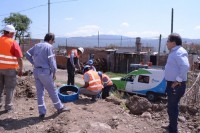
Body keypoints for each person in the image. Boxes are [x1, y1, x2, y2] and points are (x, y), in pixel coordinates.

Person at [25, 33, 70, 118]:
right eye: (53, 41)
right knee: (52, 90)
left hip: (36, 71)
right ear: (51, 39)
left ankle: (42, 112)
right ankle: (59, 107)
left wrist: (34, 63)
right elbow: (52, 62)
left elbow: (27, 54)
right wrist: (54, 72)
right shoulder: (49, 47)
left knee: (40, 92)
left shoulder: (37, 45)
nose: (53, 42)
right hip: (45, 72)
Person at [164, 33, 190, 133]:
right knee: (172, 106)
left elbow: (185, 66)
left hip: (176, 85)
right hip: (173, 84)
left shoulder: (179, 52)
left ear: (173, 43)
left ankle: (173, 130)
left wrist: (178, 80)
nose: (166, 43)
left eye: (167, 41)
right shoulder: (175, 51)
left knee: (172, 107)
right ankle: (171, 126)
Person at [0, 25, 23, 112]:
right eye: (13, 33)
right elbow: (19, 58)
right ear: (9, 33)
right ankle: (8, 107)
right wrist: (21, 69)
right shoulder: (13, 42)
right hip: (10, 70)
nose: (13, 35)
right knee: (9, 88)